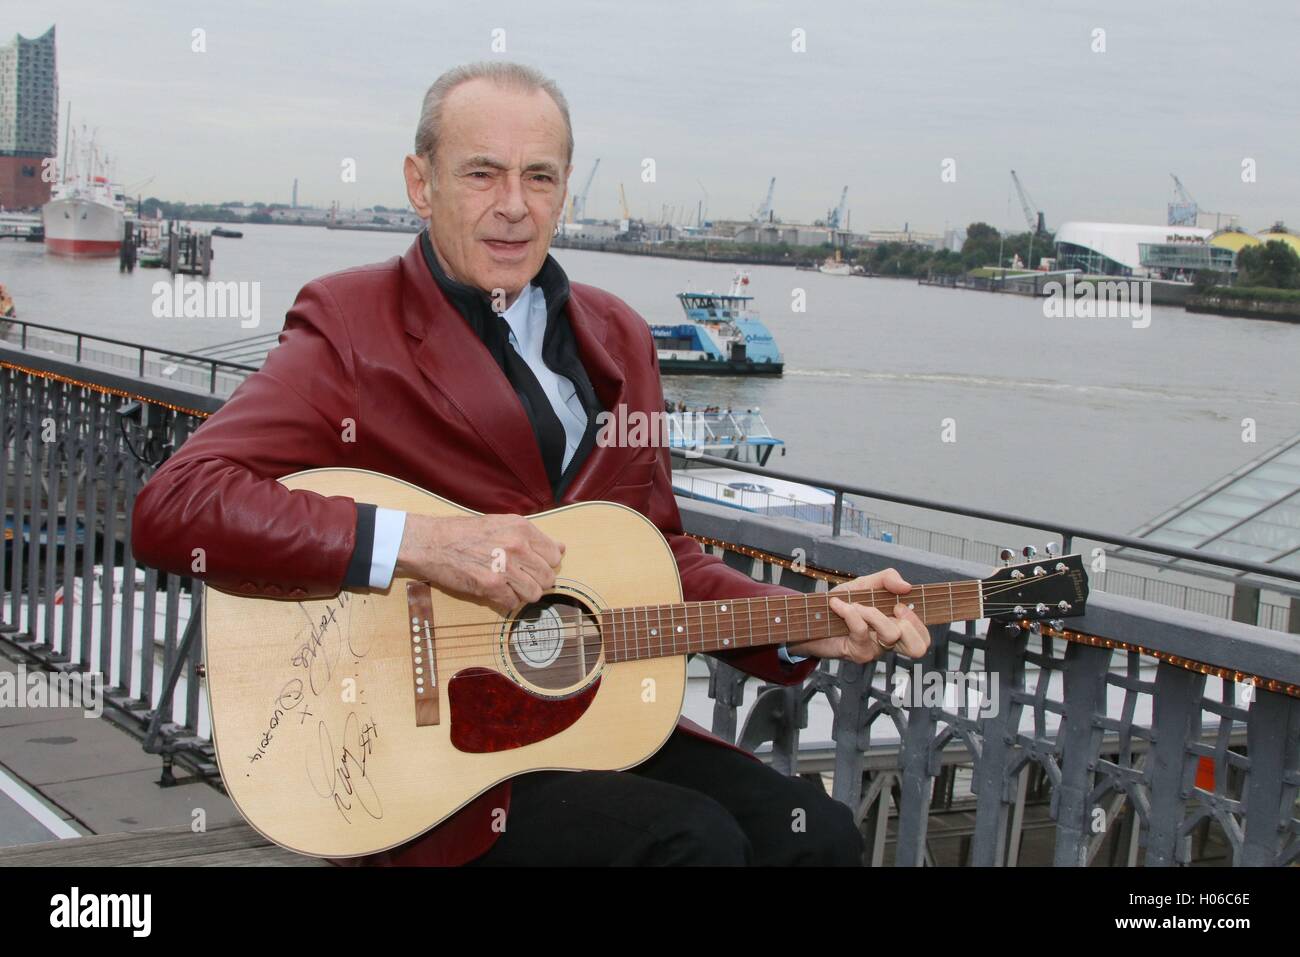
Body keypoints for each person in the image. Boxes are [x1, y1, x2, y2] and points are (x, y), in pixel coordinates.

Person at [130, 61, 930, 866]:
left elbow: (658, 554)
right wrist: (422, 543)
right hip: (436, 764)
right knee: (694, 847)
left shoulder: (619, 336)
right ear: (421, 183)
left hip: (587, 719)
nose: (514, 205)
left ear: (565, 190)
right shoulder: (351, 323)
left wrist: (807, 623)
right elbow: (176, 504)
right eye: (482, 173)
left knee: (819, 837)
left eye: (538, 176)